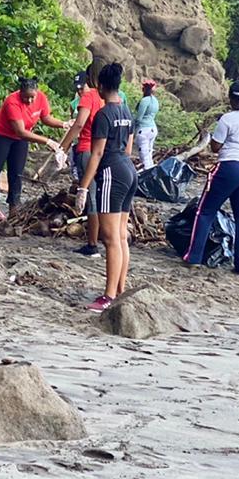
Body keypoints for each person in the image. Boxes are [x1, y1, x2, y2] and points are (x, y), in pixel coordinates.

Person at [184, 80, 239, 275]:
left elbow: (215, 146)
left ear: (233, 100)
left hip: (230, 166)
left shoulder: (227, 119)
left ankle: (194, 257)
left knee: (205, 210)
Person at [75, 63, 137, 310]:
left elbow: (97, 153)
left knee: (110, 238)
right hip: (128, 169)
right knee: (121, 236)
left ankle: (109, 295)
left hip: (112, 171)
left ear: (100, 86)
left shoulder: (103, 115)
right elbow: (130, 149)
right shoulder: (126, 111)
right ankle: (120, 288)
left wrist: (83, 187)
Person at [0, 79, 65, 223]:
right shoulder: (12, 102)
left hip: (21, 139)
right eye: (26, 97)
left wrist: (63, 124)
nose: (29, 100)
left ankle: (13, 213)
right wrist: (47, 141)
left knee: (17, 174)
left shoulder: (40, 98)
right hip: (1, 135)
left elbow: (46, 118)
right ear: (20, 93)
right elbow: (20, 131)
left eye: (32, 97)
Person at [60, 69, 105, 259]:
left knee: (91, 197)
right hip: (101, 150)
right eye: (77, 89)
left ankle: (92, 244)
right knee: (98, 197)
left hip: (87, 149)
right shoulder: (104, 98)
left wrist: (62, 147)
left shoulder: (89, 98)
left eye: (81, 87)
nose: (80, 92)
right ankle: (97, 240)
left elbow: (79, 125)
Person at [132, 79, 160, 170]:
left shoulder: (144, 101)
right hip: (153, 128)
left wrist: (132, 126)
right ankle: (151, 171)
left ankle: (147, 173)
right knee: (149, 154)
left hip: (143, 130)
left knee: (144, 155)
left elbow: (139, 118)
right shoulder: (155, 101)